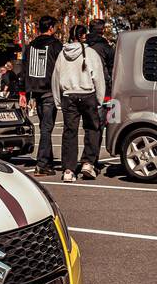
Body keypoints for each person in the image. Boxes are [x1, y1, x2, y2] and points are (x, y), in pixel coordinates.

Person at [52, 23, 106, 181]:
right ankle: (88, 163)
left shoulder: (62, 54)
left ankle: (68, 170)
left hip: (68, 95)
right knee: (92, 128)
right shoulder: (90, 53)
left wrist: (58, 100)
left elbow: (55, 78)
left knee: (70, 132)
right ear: (84, 36)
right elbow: (98, 77)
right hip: (87, 94)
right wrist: (100, 99)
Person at [23, 16, 63, 176]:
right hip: (49, 90)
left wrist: (23, 93)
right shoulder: (55, 45)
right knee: (46, 129)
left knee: (45, 127)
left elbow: (24, 69)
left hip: (36, 91)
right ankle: (42, 164)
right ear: (51, 27)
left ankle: (48, 161)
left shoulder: (30, 46)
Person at [85, 19, 116, 97]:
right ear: (102, 31)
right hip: (102, 84)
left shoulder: (82, 44)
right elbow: (112, 67)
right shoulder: (105, 47)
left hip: (83, 84)